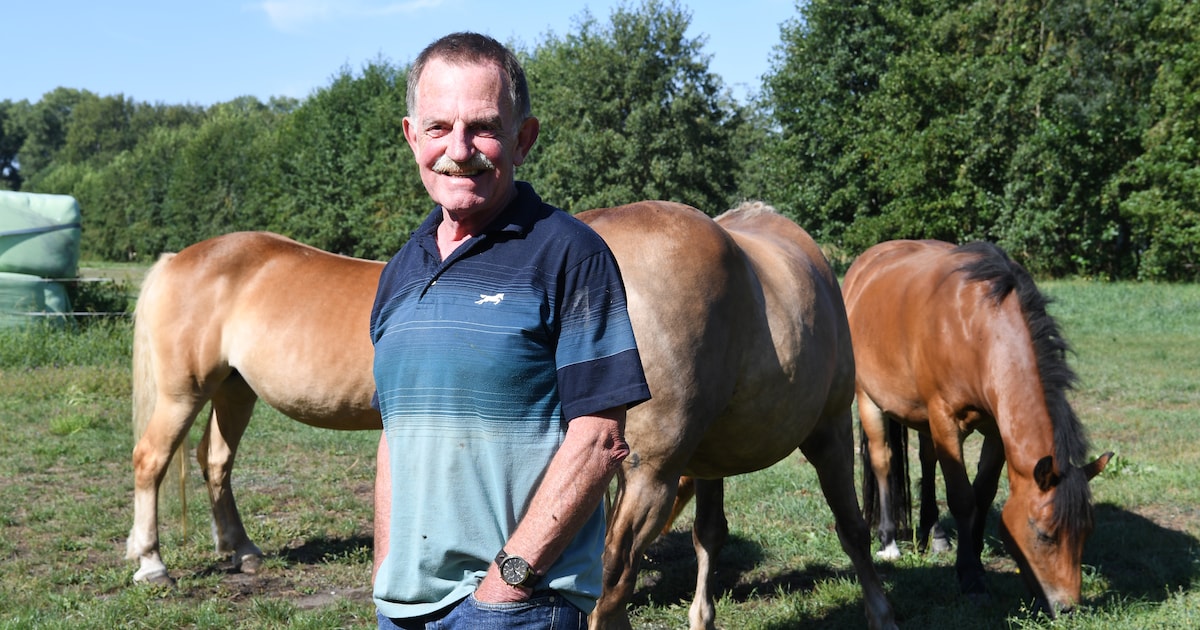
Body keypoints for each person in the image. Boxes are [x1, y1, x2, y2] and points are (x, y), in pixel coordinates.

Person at [369, 32, 651, 629]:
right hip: (402, 610)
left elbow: (600, 439)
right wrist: (385, 572)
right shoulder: (399, 272)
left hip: (514, 610)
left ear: (524, 139)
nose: (460, 149)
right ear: (411, 135)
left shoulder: (570, 256)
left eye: (484, 127)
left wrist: (507, 587)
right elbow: (395, 435)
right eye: (439, 126)